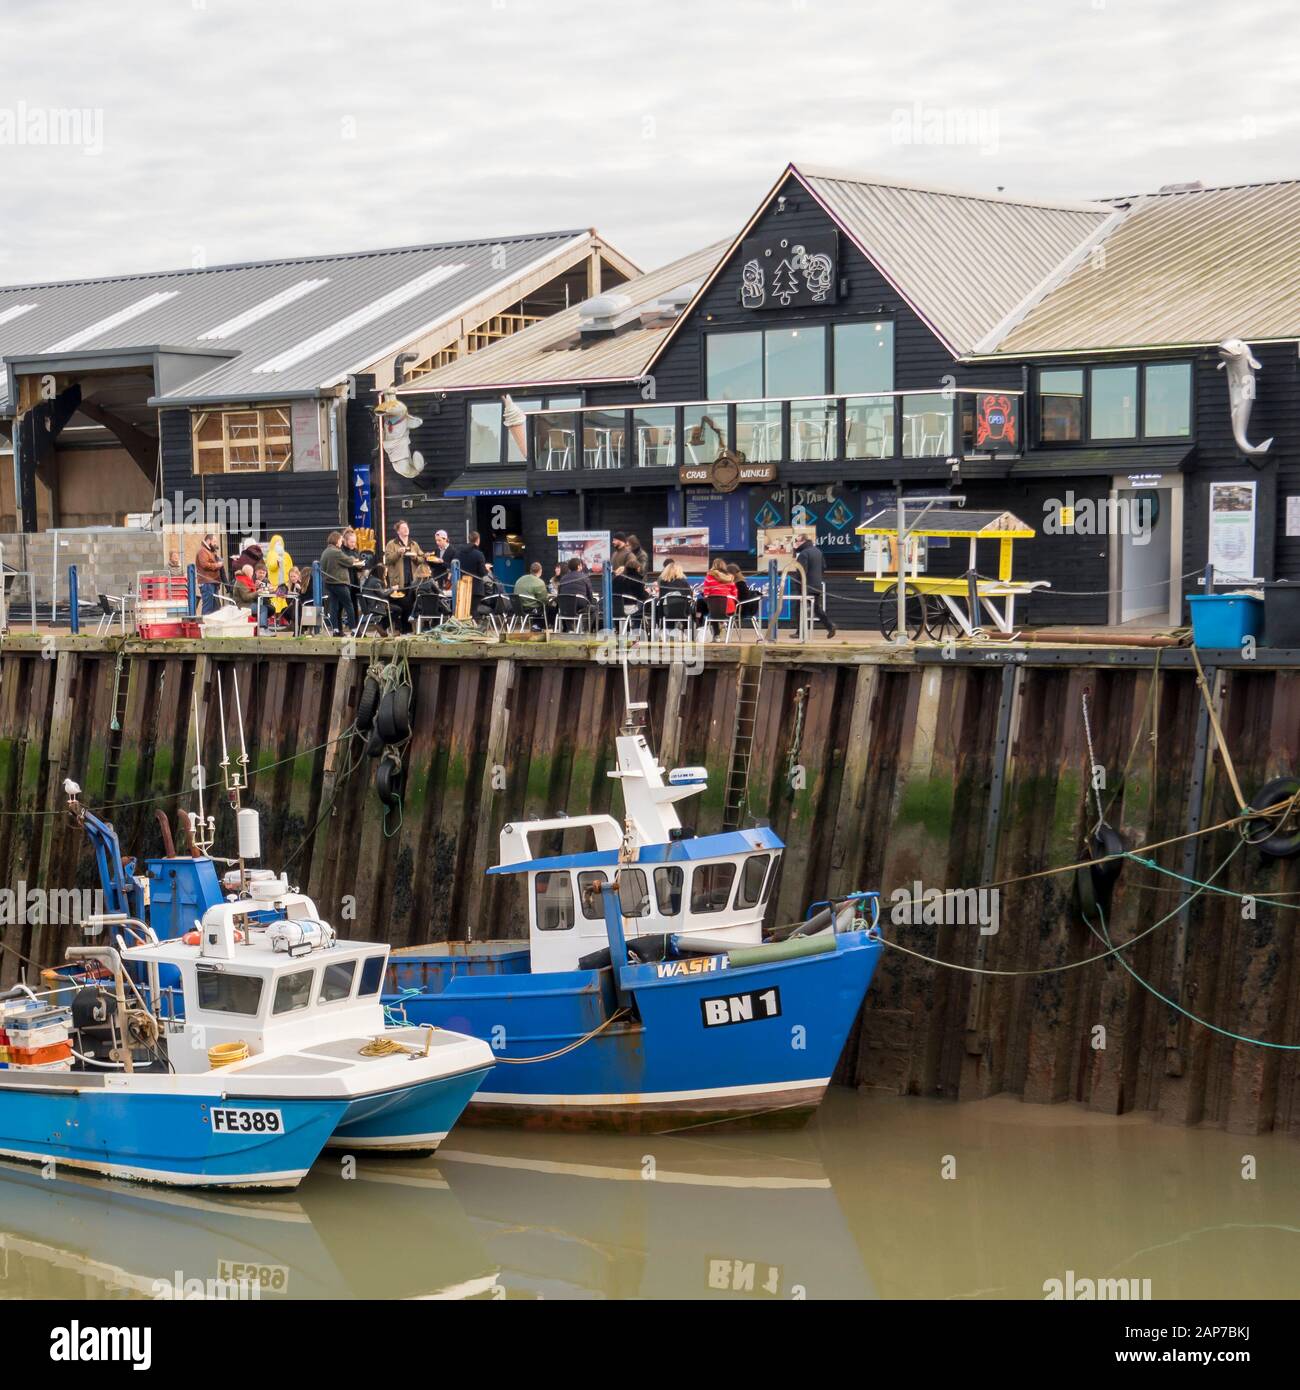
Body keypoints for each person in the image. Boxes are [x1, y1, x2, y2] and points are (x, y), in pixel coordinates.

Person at [320, 530, 365, 635]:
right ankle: (353, 628)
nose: (341, 542)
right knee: (349, 605)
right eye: (340, 540)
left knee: (334, 607)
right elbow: (349, 561)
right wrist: (355, 560)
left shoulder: (325, 552)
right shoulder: (336, 552)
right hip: (339, 583)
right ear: (336, 541)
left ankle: (335, 629)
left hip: (329, 583)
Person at [793, 534, 836, 638]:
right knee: (816, 609)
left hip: (806, 586)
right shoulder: (818, 551)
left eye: (797, 541)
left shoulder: (804, 554)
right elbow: (823, 567)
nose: (795, 543)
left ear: (803, 541)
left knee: (799, 609)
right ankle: (830, 626)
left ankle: (800, 632)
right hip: (816, 585)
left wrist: (798, 583)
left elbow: (802, 571)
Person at [195, 533, 224, 615]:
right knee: (208, 607)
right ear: (208, 541)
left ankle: (211, 626)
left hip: (212, 582)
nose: (215, 544)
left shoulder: (209, 551)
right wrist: (217, 565)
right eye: (214, 541)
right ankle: (204, 626)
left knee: (215, 608)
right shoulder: (202, 551)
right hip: (207, 582)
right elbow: (204, 564)